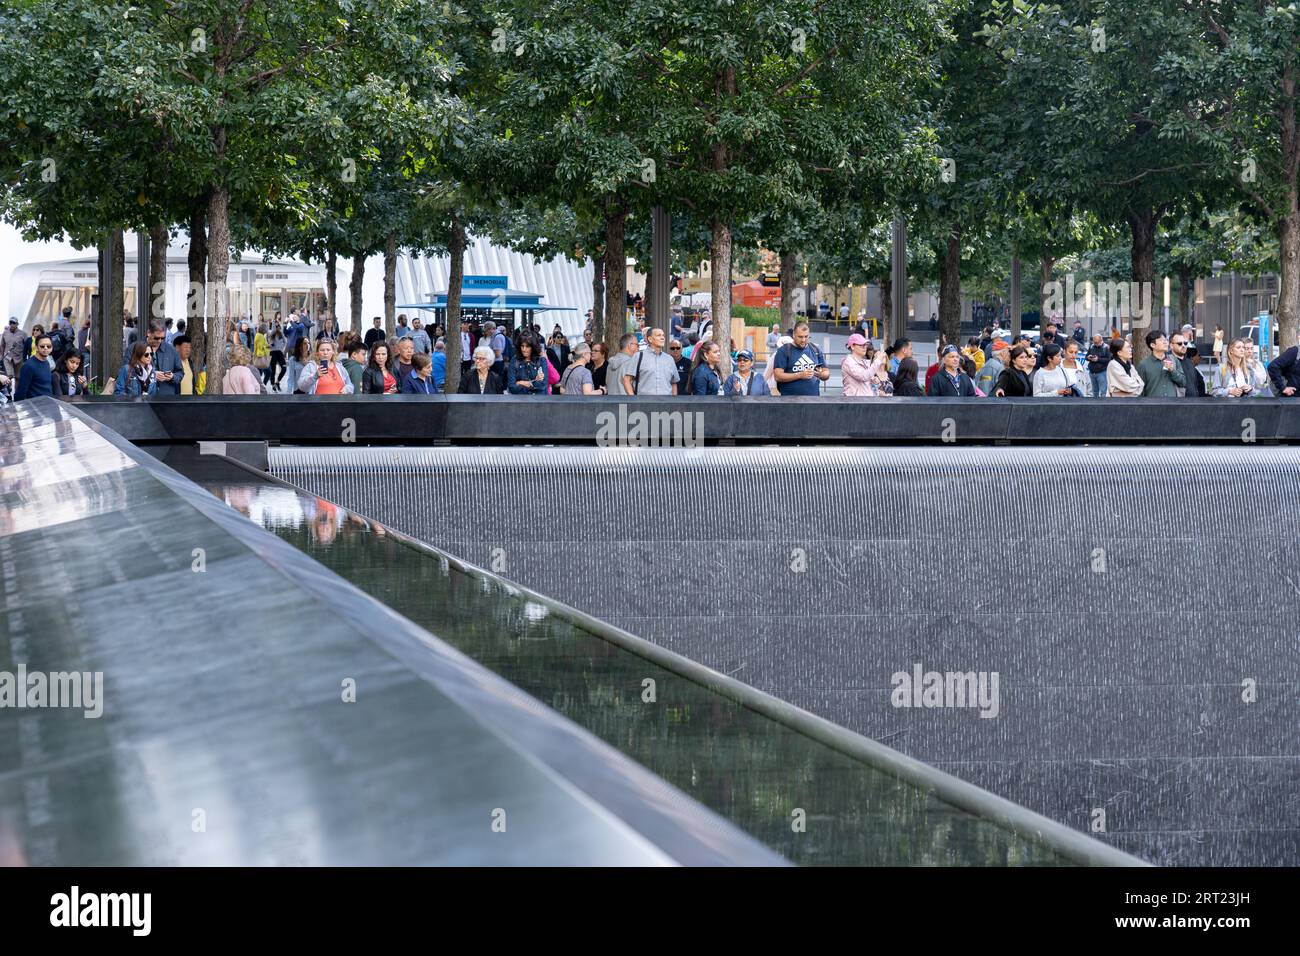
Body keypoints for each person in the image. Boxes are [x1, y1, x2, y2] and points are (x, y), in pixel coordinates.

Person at [772, 322, 828, 396]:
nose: (803, 340)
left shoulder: (815, 349)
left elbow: (826, 373)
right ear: (794, 335)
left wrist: (820, 374)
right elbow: (778, 376)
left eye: (806, 336)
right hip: (790, 402)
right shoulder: (784, 351)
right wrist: (799, 375)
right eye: (800, 337)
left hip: (813, 401)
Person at [1137, 331, 1185, 396]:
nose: (1165, 342)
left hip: (1172, 404)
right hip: (1152, 405)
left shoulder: (1174, 360)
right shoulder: (1144, 365)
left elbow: (1183, 382)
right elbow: (1140, 391)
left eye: (1166, 340)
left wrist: (1172, 370)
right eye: (1161, 340)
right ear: (1152, 345)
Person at [14, 334, 55, 400]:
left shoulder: (47, 363)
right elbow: (20, 392)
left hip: (48, 405)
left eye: (49, 346)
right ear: (36, 347)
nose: (46, 348)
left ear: (52, 348)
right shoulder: (29, 366)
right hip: (35, 406)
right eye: (42, 346)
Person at [1168, 330, 1205, 397]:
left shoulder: (1189, 362)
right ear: (1171, 345)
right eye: (1179, 343)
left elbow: (1195, 384)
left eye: (1185, 343)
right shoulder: (1168, 362)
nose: (1183, 345)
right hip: (1178, 404)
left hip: (1194, 403)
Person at [1085, 333, 1110, 398]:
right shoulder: (1091, 346)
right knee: (1094, 392)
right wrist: (1088, 357)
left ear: (1101, 341)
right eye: (1094, 342)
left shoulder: (1106, 347)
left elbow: (1109, 359)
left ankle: (1103, 406)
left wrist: (1098, 359)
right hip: (1092, 372)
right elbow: (1086, 357)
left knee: (1103, 392)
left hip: (1102, 372)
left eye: (1097, 342)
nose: (1095, 344)